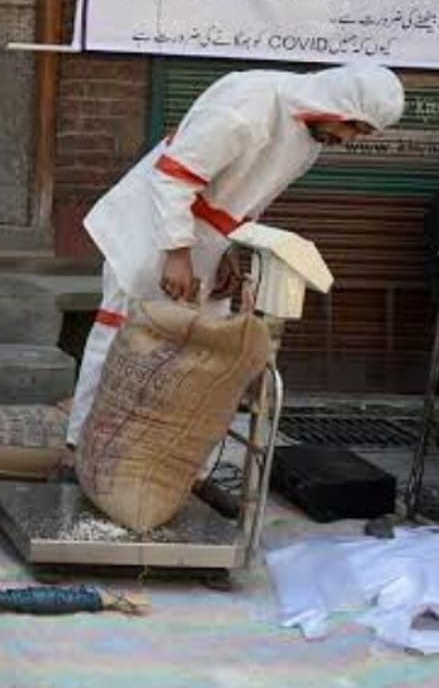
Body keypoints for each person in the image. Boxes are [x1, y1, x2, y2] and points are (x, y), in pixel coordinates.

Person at [67, 62, 406, 446]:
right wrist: (178, 254)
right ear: (338, 105)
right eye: (353, 127)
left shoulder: (310, 140)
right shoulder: (247, 103)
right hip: (150, 228)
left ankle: (169, 461)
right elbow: (172, 178)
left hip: (204, 241)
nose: (349, 139)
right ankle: (77, 444)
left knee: (203, 350)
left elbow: (242, 203)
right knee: (121, 332)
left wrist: (225, 255)